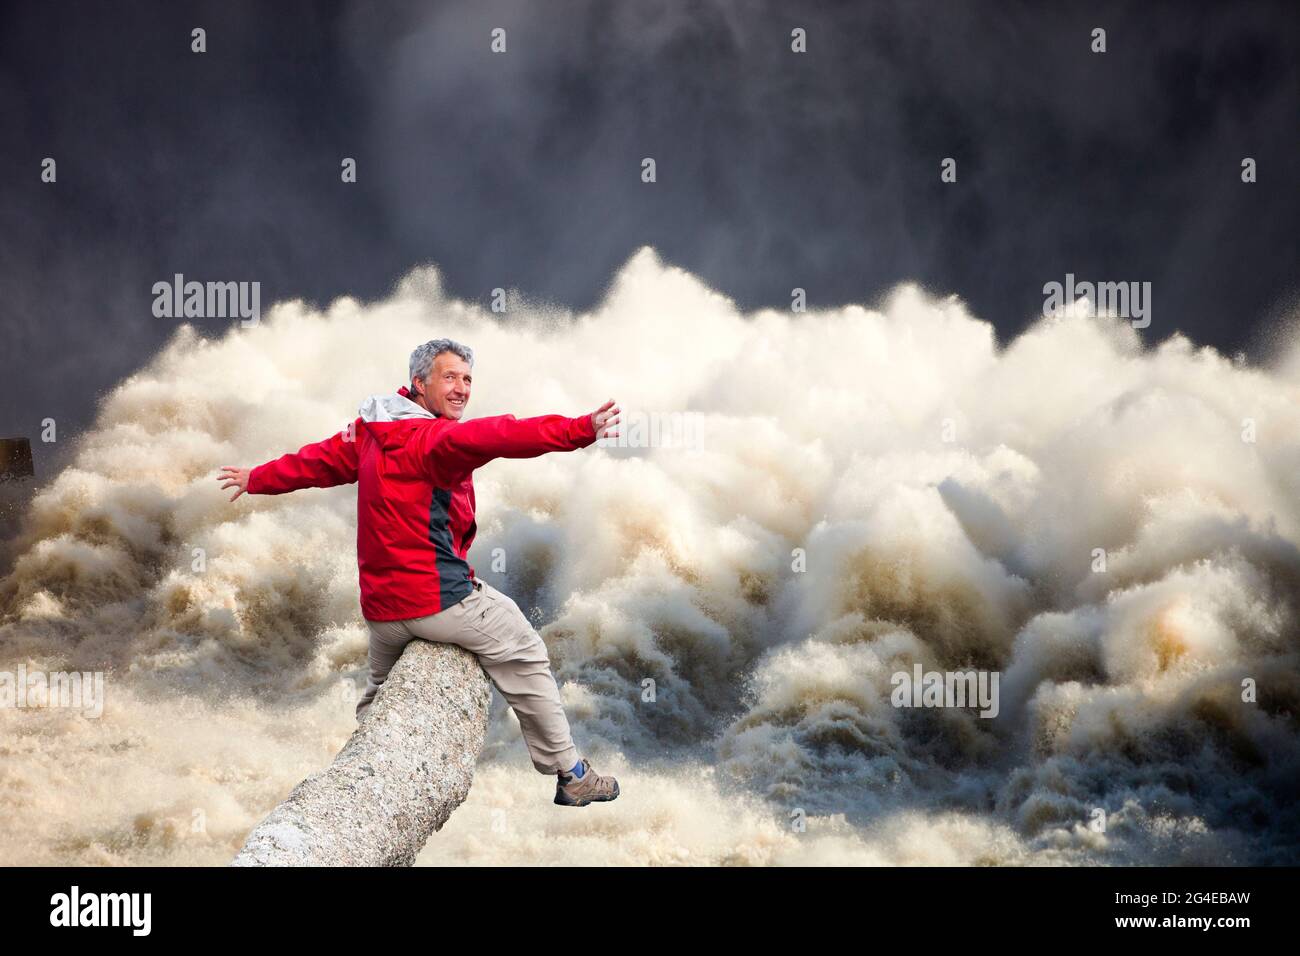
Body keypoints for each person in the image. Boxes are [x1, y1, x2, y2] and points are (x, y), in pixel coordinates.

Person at [218, 338, 620, 807]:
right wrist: (580, 429)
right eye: (449, 378)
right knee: (525, 650)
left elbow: (319, 462)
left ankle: (359, 776)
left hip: (383, 614)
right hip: (437, 602)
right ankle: (571, 774)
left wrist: (257, 478)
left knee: (380, 694)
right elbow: (504, 434)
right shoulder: (437, 440)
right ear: (419, 383)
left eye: (467, 379)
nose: (461, 389)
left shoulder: (370, 429)